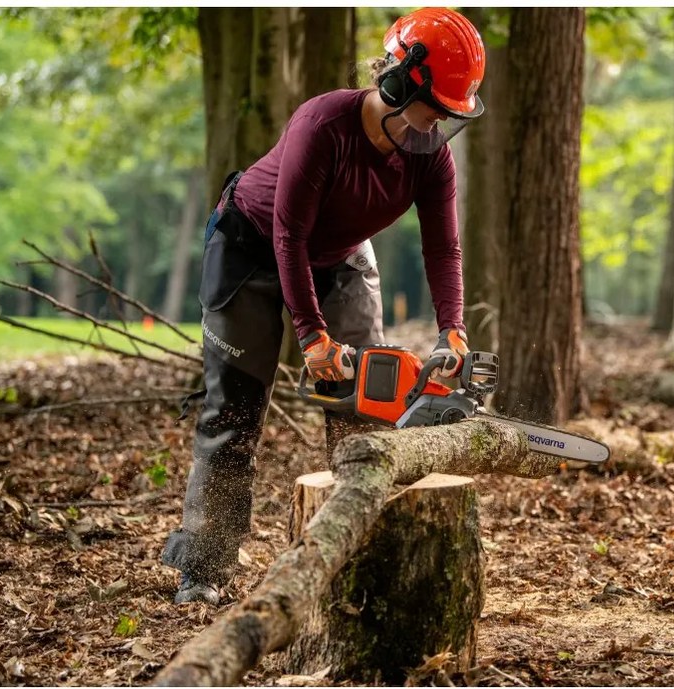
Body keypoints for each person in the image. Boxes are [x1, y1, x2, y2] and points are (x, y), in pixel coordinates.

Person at [161, 7, 486, 605]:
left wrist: (453, 330)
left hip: (340, 256)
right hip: (252, 246)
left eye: (449, 112)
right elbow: (289, 236)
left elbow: (444, 246)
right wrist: (311, 335)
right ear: (398, 81)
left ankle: (353, 554)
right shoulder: (324, 124)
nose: (439, 121)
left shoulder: (429, 155)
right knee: (232, 409)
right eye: (435, 105)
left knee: (365, 399)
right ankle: (203, 565)